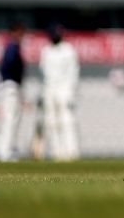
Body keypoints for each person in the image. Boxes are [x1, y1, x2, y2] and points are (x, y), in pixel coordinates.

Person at [39, 23, 80, 161]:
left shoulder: (68, 50)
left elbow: (73, 72)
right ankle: (57, 152)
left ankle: (71, 151)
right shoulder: (46, 51)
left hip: (65, 89)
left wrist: (71, 92)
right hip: (50, 89)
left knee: (67, 120)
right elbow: (44, 72)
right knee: (51, 121)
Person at [0, 22, 27, 161]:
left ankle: (5, 149)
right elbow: (8, 65)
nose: (22, 36)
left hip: (9, 87)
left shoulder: (9, 47)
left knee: (11, 120)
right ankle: (5, 152)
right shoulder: (13, 47)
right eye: (20, 33)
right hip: (11, 87)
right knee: (10, 120)